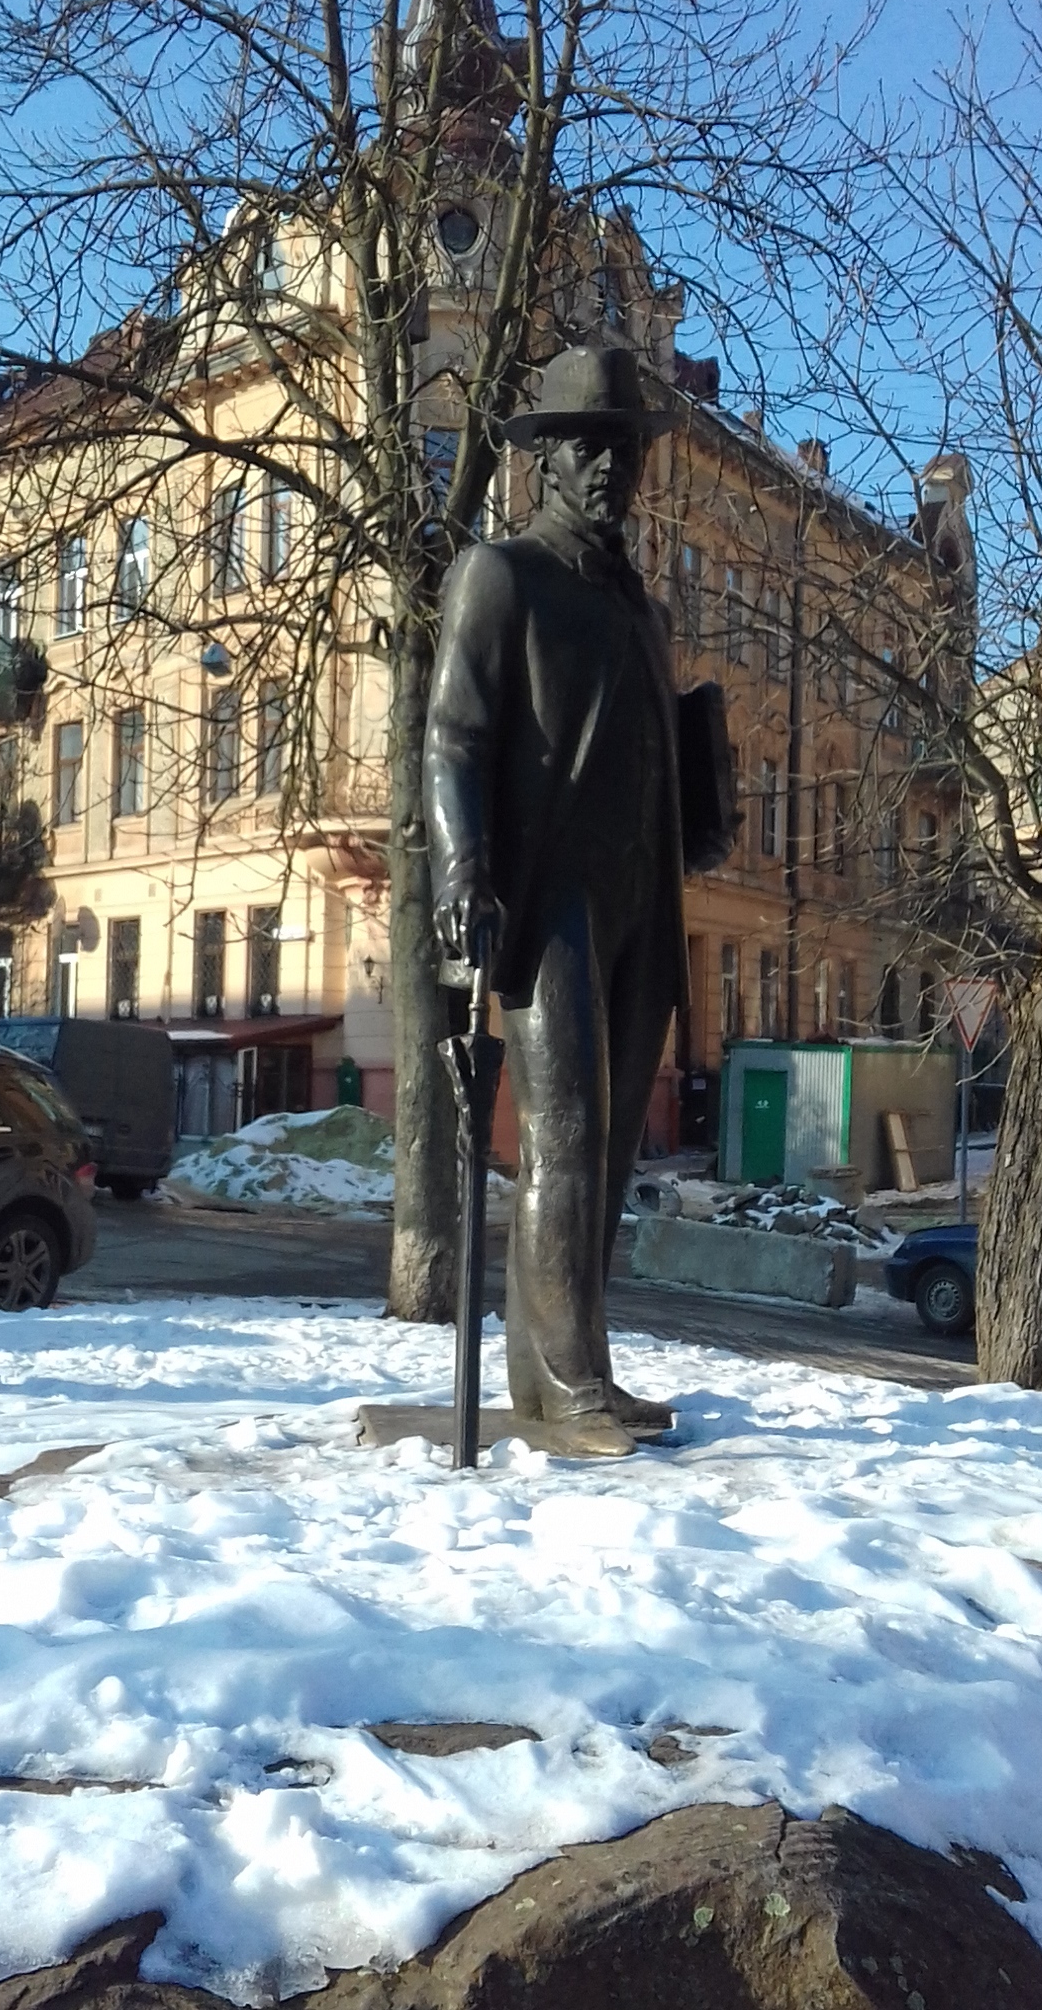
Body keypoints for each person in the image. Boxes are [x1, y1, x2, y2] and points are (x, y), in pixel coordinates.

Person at [425, 344, 708, 1457]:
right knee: (566, 1131)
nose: (607, 470)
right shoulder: (502, 575)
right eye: (584, 448)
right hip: (553, 900)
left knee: (609, 1147)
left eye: (623, 451)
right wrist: (462, 869)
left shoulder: (641, 605)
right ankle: (568, 1379)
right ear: (543, 458)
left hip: (642, 895)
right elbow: (453, 735)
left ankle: (565, 1367)